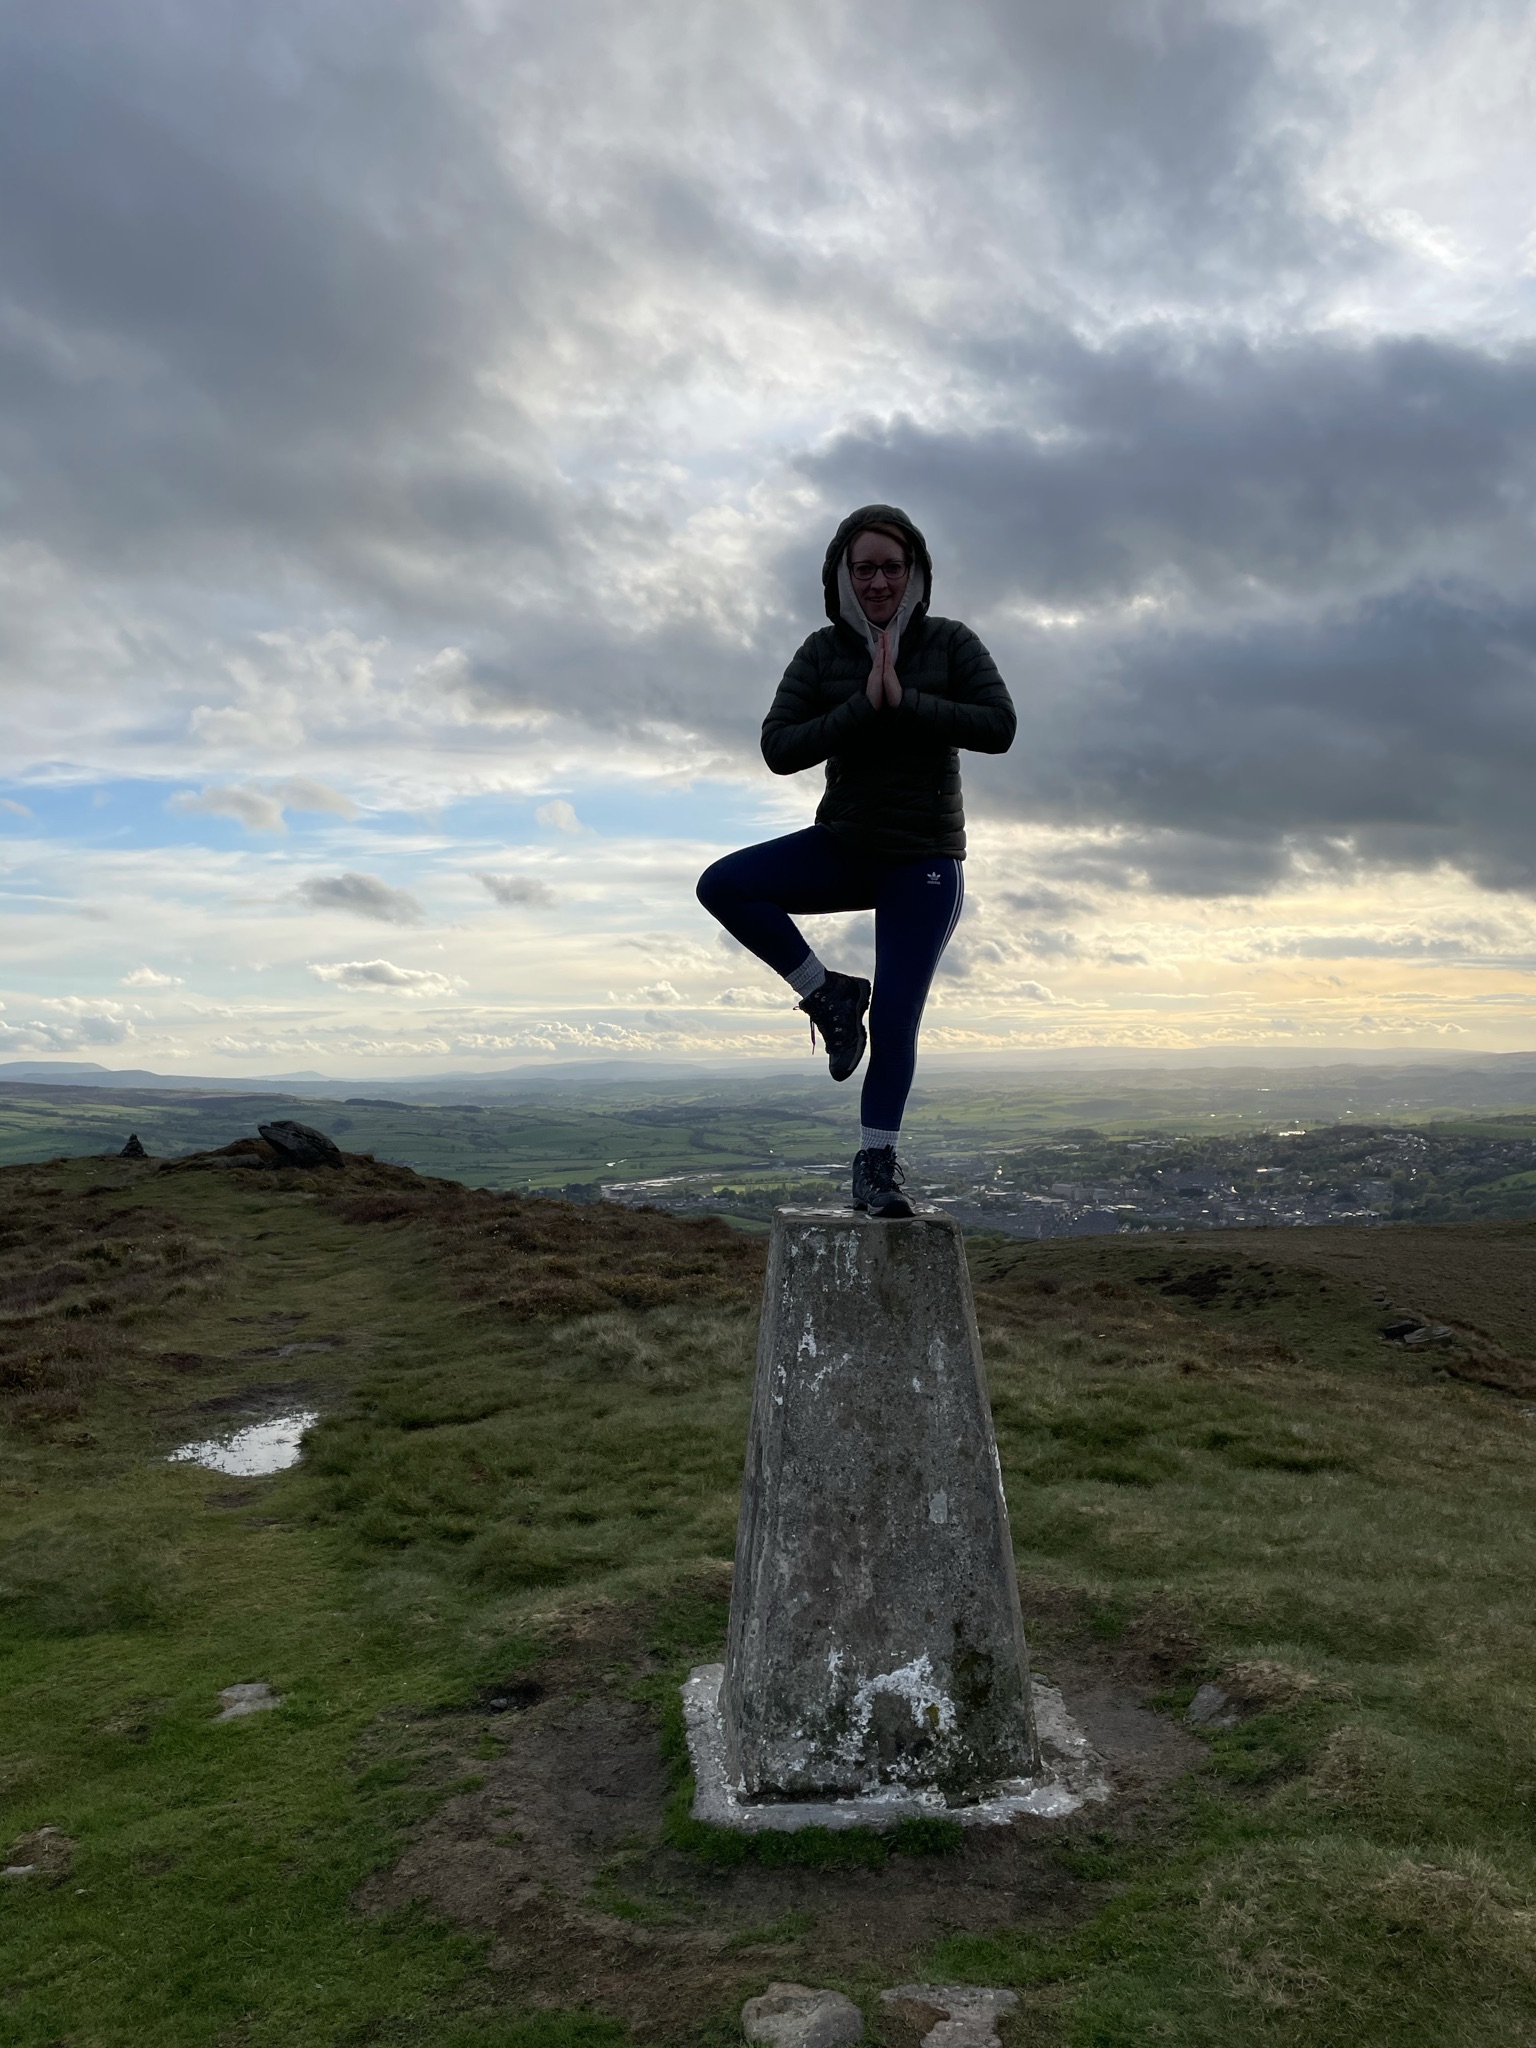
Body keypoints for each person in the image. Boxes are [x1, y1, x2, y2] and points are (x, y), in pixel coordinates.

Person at [696, 504, 1016, 1217]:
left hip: (923, 861)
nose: (878, 582)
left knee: (897, 1020)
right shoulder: (821, 652)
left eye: (891, 568)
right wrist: (862, 709)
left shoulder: (951, 642)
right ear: (842, 575)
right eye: (864, 568)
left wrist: (905, 701)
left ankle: (876, 1168)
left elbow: (1000, 726)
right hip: (844, 845)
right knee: (724, 884)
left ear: (915, 573)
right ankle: (829, 994)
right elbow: (779, 748)